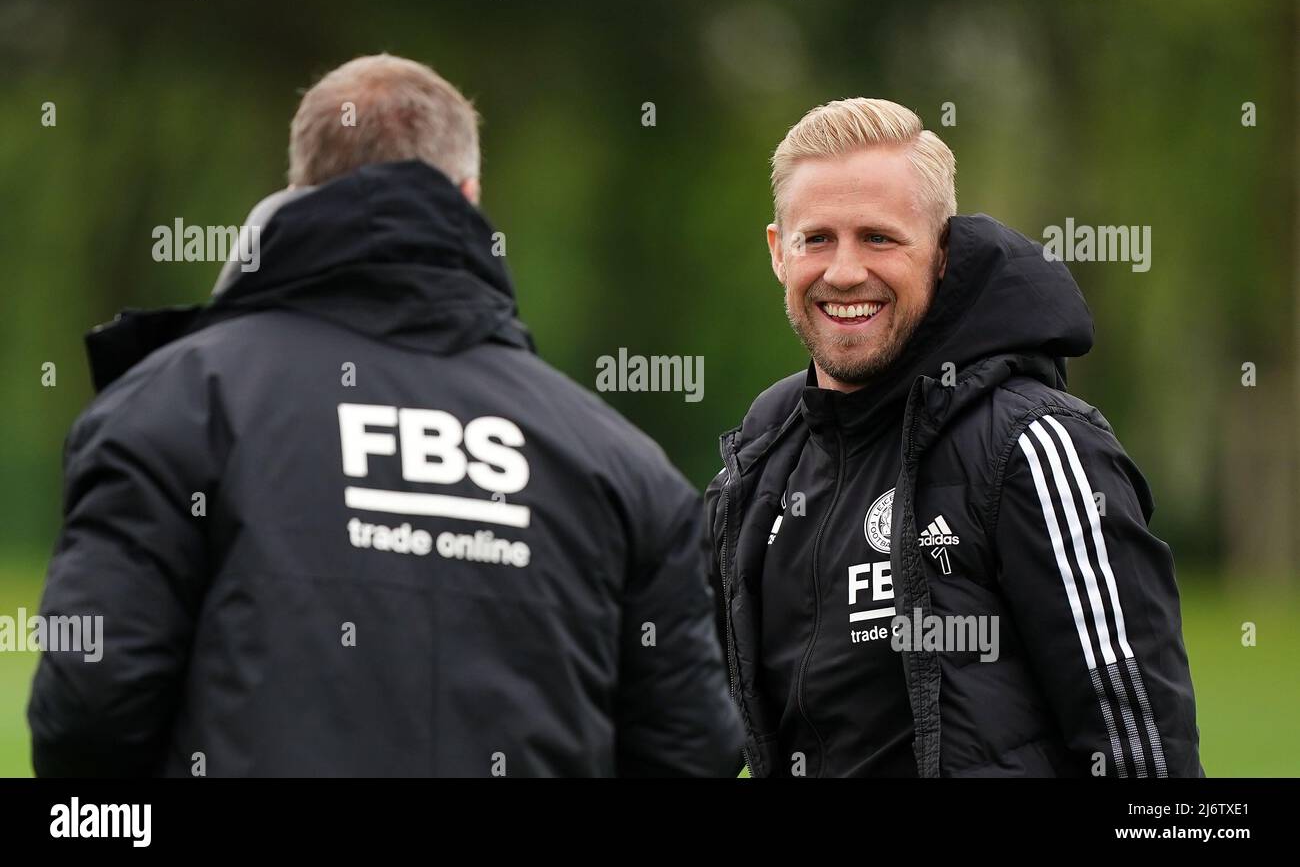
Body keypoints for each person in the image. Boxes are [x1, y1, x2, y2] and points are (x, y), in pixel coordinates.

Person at [29, 54, 742, 777]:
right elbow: (694, 752)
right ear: (469, 195)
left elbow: (89, 714)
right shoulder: (623, 464)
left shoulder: (168, 408)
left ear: (296, 189)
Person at [706, 97, 1202, 778]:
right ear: (776, 251)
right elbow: (677, 719)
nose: (845, 272)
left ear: (943, 255)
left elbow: (1147, 764)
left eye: (879, 238)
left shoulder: (1034, 445)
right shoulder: (757, 468)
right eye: (816, 238)